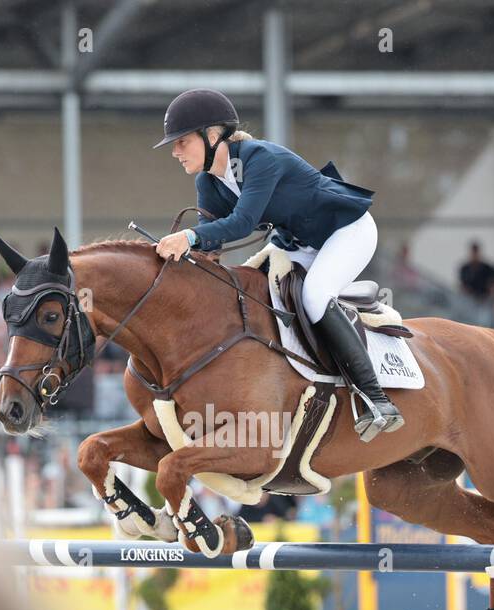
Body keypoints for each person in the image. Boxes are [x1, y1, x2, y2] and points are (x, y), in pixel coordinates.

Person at [150, 88, 403, 442]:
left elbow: (240, 223)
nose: (175, 151)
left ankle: (376, 398)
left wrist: (189, 239)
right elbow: (214, 238)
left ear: (212, 135)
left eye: (182, 141)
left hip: (346, 231)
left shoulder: (258, 158)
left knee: (315, 295)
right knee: (259, 291)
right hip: (299, 243)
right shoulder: (207, 180)